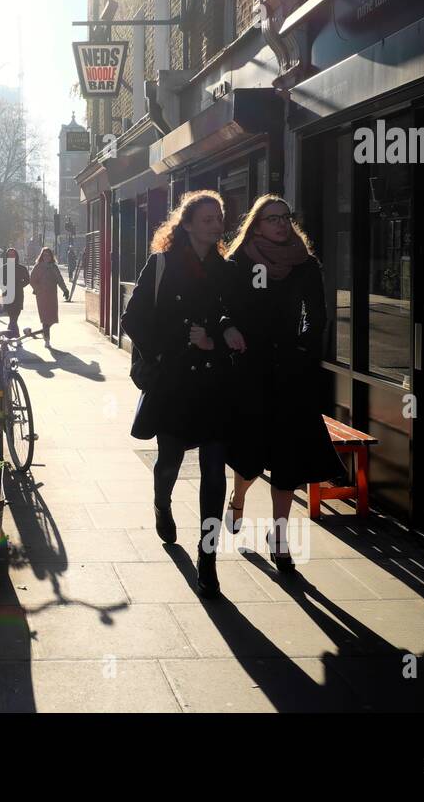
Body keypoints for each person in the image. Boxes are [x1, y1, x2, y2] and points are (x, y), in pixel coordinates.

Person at [121, 190, 246, 599]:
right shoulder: (161, 265)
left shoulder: (226, 271)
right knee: (169, 462)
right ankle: (162, 503)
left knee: (214, 473)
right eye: (207, 218)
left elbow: (236, 318)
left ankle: (207, 558)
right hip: (174, 382)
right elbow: (132, 319)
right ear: (187, 223)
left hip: (214, 387)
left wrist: (220, 336)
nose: (215, 224)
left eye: (219, 218)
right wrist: (168, 348)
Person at [223, 195, 344, 576]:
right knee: (251, 454)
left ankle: (279, 538)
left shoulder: (304, 265)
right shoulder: (239, 262)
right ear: (256, 224)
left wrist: (304, 347)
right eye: (271, 218)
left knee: (288, 458)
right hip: (251, 368)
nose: (280, 224)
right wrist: (229, 327)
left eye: (285, 218)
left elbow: (317, 313)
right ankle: (239, 496)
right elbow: (221, 306)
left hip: (290, 371)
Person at [29, 246, 70, 345]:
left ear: (51, 256)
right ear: (42, 256)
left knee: (52, 318)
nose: (46, 256)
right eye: (44, 255)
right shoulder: (38, 267)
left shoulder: (54, 267)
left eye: (48, 255)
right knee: (45, 318)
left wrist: (65, 290)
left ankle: (44, 331)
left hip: (52, 295)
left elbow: (59, 280)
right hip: (42, 296)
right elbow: (32, 280)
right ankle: (47, 339)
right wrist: (38, 289)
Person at [0, 247, 30, 337]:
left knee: (14, 317)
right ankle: (15, 335)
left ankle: (11, 335)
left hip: (18, 295)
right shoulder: (3, 268)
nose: (11, 256)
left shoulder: (21, 268)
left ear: (16, 256)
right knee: (12, 318)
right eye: (9, 255)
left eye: (13, 255)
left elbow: (27, 280)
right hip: (7, 295)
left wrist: (20, 285)